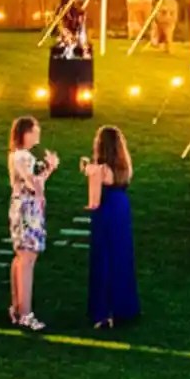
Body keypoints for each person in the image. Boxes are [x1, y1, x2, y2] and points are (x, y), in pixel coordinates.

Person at [83, 126, 139, 329]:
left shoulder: (100, 169)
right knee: (121, 256)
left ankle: (104, 310)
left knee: (103, 258)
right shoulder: (124, 167)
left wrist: (90, 175)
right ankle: (124, 306)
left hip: (105, 213)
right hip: (121, 208)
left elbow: (94, 202)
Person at [8, 116, 59, 330]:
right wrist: (48, 167)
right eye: (35, 131)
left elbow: (35, 182)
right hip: (27, 209)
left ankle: (17, 308)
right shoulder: (22, 156)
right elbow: (32, 184)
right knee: (27, 259)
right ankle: (25, 313)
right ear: (25, 133)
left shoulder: (19, 156)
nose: (37, 136)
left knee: (22, 257)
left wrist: (47, 170)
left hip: (23, 207)